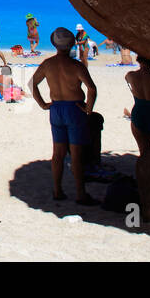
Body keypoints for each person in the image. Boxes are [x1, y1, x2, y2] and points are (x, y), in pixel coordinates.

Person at [29, 28, 99, 205]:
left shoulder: (47, 64)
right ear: (70, 46)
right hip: (74, 108)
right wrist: (89, 109)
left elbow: (32, 84)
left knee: (58, 153)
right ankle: (80, 193)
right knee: (76, 154)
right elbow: (91, 88)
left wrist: (43, 104)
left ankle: (57, 190)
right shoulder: (76, 66)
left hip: (56, 108)